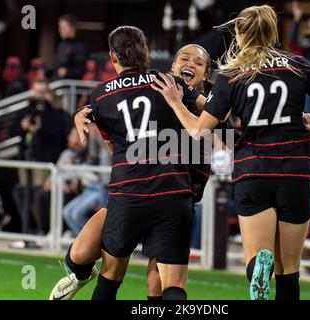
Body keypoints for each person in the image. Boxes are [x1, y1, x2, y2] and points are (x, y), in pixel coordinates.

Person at [152, 5, 310, 300]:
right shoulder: (299, 65)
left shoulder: (232, 76)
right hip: (297, 167)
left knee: (258, 255)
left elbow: (199, 130)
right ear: (272, 33)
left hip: (254, 168)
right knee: (290, 269)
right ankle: (270, 273)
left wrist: (177, 102)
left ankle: (258, 267)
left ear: (240, 34)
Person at [50, 26, 207, 301]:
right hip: (170, 195)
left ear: (112, 56)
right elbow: (219, 117)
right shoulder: (172, 85)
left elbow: (110, 143)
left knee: (116, 278)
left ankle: (81, 273)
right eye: (185, 59)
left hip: (128, 195)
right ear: (146, 51)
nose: (190, 65)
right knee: (171, 287)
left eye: (198, 62)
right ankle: (80, 272)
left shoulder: (100, 95)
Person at [53, 15, 87, 80]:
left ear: (73, 27)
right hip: (57, 82)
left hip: (70, 85)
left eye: (64, 28)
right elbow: (57, 66)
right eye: (60, 28)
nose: (61, 30)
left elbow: (81, 69)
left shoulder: (80, 46)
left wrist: (68, 72)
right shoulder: (61, 44)